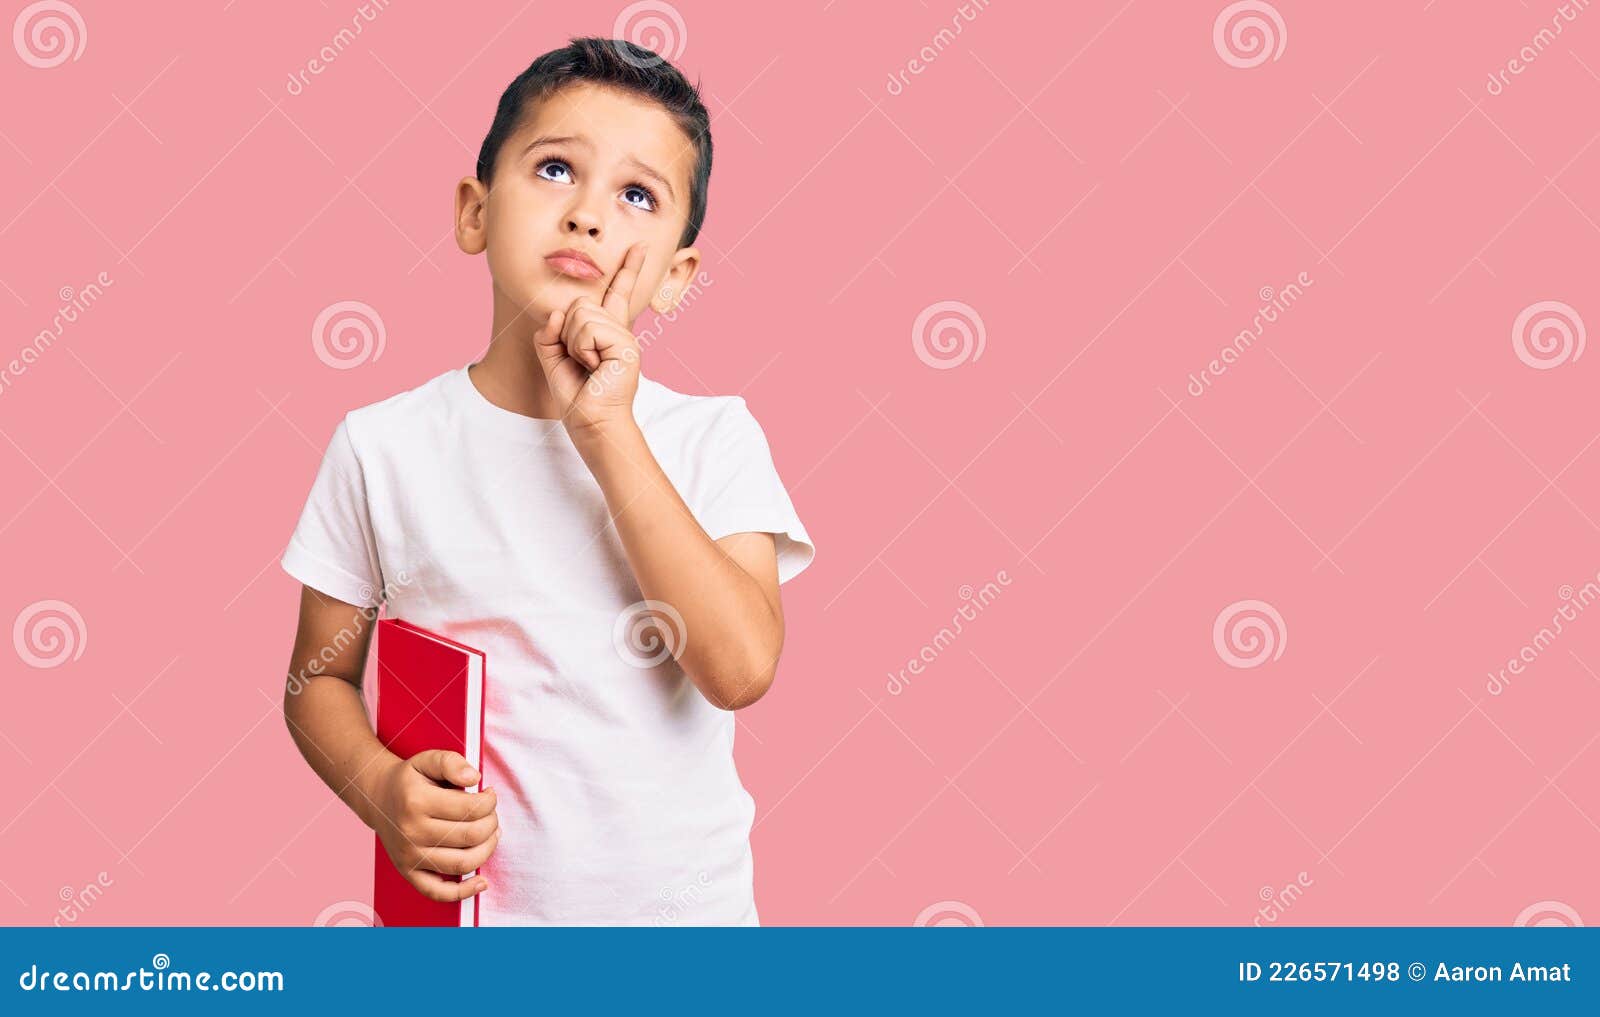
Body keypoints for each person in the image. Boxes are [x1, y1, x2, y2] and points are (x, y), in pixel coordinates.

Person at [279, 36, 815, 925]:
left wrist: (606, 429)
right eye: (557, 170)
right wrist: (379, 787)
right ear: (473, 212)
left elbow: (740, 667)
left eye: (637, 195)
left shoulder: (712, 436)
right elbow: (317, 682)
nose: (588, 216)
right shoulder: (382, 446)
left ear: (677, 275)